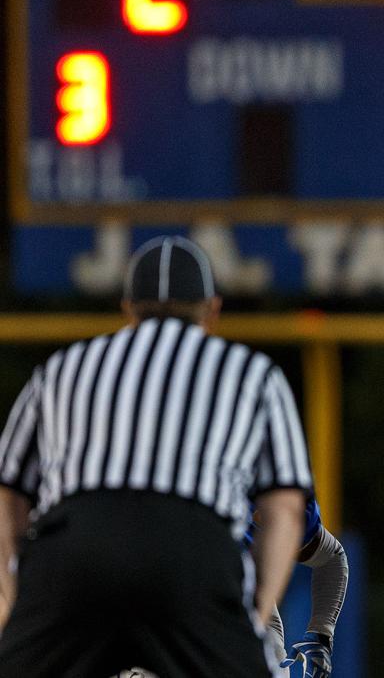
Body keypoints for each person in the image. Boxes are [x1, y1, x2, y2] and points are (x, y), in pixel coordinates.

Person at [0, 235, 312, 678]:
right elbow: (284, 509)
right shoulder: (253, 372)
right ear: (213, 310)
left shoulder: (63, 366)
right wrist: (254, 616)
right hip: (190, 553)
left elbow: (7, 492)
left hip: (75, 552)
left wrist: (20, 596)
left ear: (128, 309)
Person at [246, 497, 349, 677]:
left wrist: (321, 635)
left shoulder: (282, 496)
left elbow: (330, 559)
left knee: (270, 651)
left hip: (246, 609)